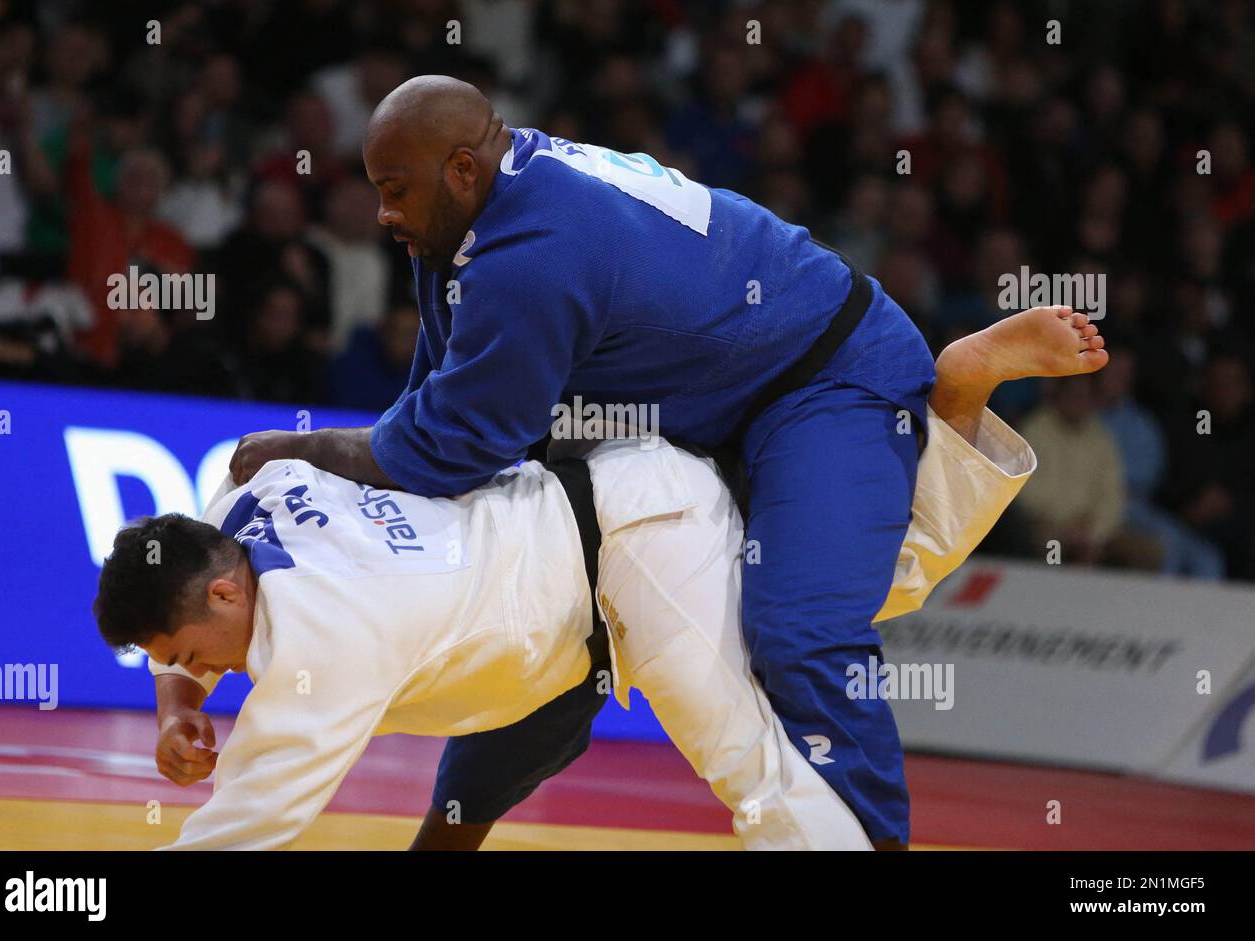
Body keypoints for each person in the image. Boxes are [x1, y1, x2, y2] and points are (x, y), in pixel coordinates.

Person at [226, 76, 1110, 850]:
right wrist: (354, 457)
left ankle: (953, 399)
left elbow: (447, 448)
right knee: (562, 611)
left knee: (809, 625)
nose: (383, 212)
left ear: (462, 167)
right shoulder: (466, 214)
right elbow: (432, 414)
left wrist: (301, 446)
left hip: (824, 380)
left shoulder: (526, 257)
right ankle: (446, 843)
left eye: (393, 190)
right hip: (699, 398)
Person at [138, 305, 1103, 850]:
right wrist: (179, 695)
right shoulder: (244, 488)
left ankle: (955, 396)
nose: (199, 670)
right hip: (581, 550)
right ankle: (952, 410)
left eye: (191, 659)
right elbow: (172, 595)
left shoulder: (322, 637)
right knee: (512, 725)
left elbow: (248, 821)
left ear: (227, 590)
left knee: (771, 751)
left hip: (635, 549)